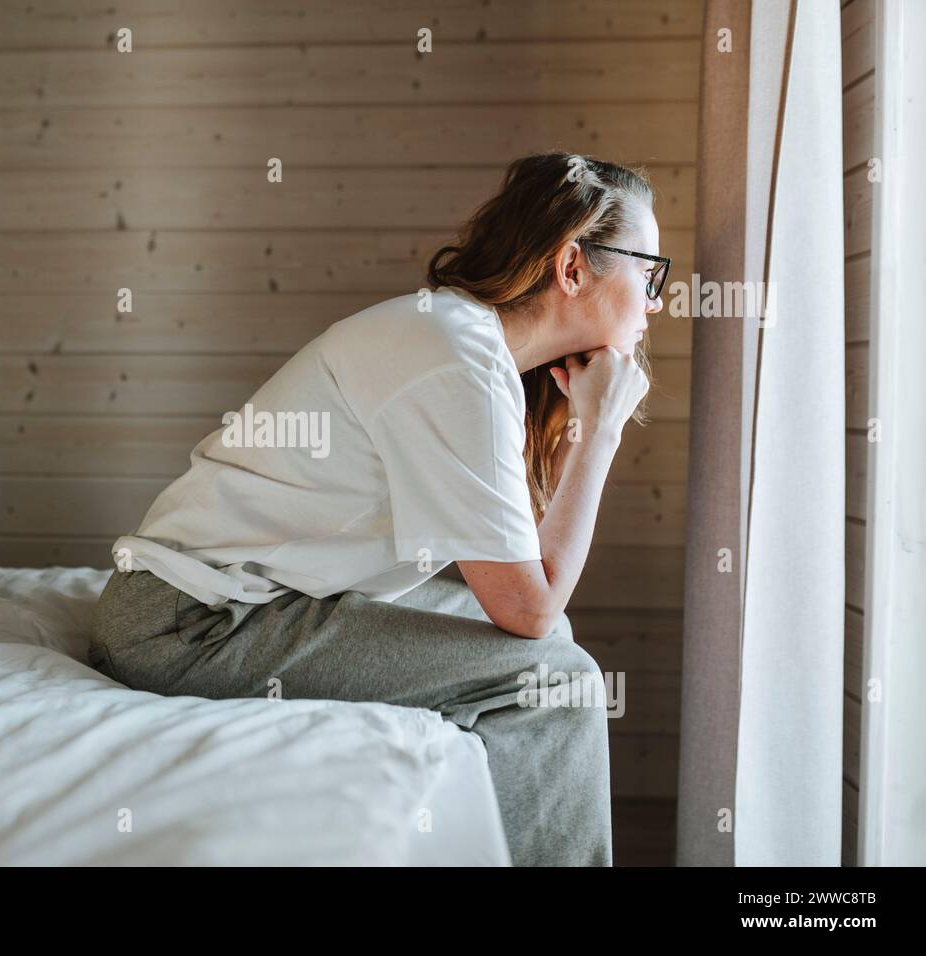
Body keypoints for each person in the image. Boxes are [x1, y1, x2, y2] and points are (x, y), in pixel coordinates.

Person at [89, 151, 663, 866]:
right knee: (560, 680)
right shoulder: (455, 359)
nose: (657, 299)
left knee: (549, 654)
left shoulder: (463, 345)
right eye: (649, 270)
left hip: (221, 607)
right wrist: (600, 430)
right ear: (572, 267)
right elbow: (530, 607)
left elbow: (531, 599)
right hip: (187, 627)